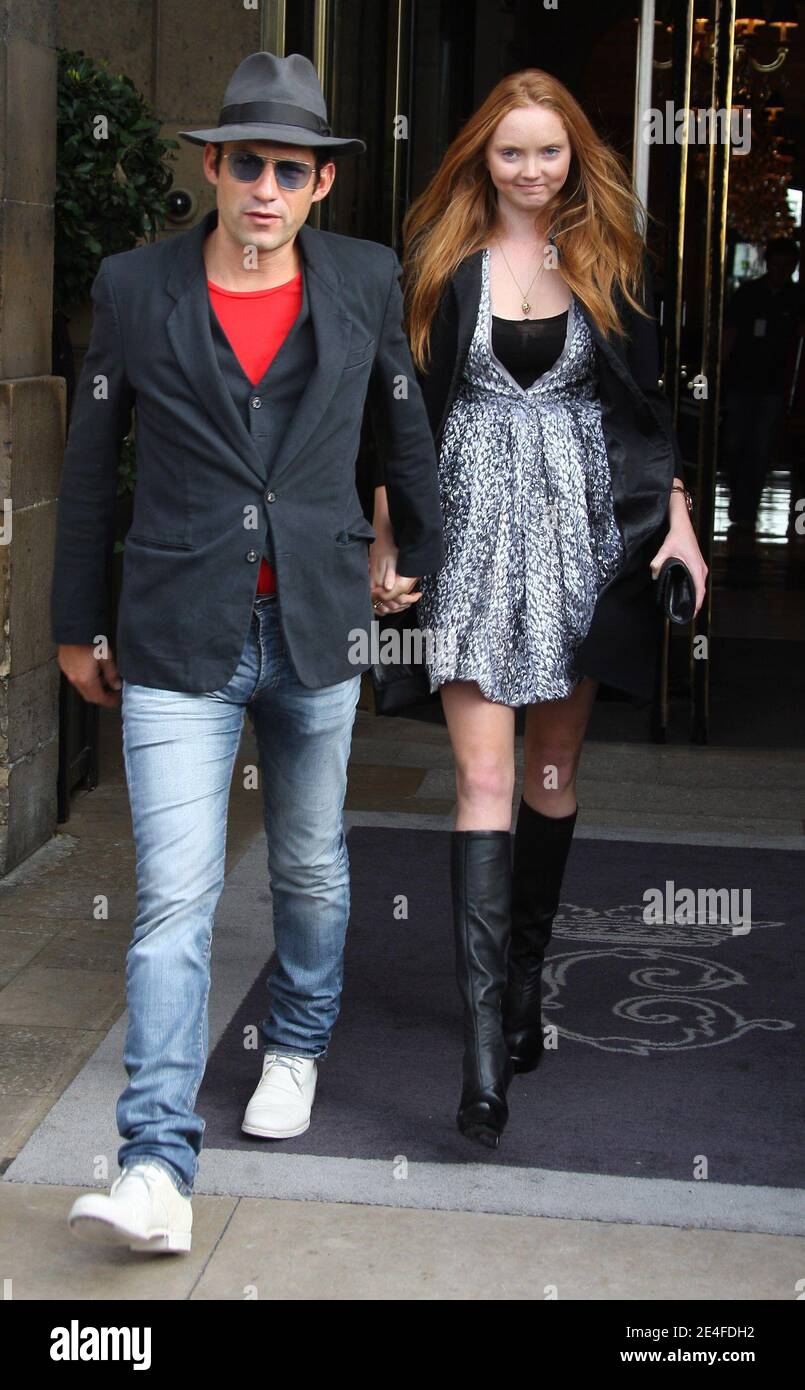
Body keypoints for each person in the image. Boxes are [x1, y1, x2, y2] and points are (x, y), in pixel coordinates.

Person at [55, 51, 442, 1253]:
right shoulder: (134, 287)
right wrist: (77, 620)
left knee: (315, 867)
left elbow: (402, 422)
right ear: (212, 169)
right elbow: (86, 464)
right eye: (248, 165)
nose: (266, 189)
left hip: (317, 622)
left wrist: (412, 546)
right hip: (177, 630)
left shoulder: (367, 279)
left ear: (320, 183)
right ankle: (154, 1163)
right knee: (174, 895)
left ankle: (300, 1044)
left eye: (292, 169)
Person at [369, 68, 708, 1148]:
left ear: (574, 158)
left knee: (551, 776)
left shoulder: (609, 267)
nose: (528, 169)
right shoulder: (440, 267)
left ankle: (521, 990)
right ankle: (480, 1072)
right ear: (481, 156)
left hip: (580, 542)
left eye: (547, 150)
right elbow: (405, 419)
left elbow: (648, 422)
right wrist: (384, 538)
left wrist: (681, 530)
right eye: (509, 150)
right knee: (479, 776)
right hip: (466, 535)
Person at [721, 237, 803, 529]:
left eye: (786, 266)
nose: (780, 270)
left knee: (759, 448)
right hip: (740, 382)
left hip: (773, 388)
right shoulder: (749, 293)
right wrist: (716, 372)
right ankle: (738, 496)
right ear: (767, 264)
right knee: (733, 444)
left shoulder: (796, 299)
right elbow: (729, 333)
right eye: (776, 264)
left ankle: (747, 507)